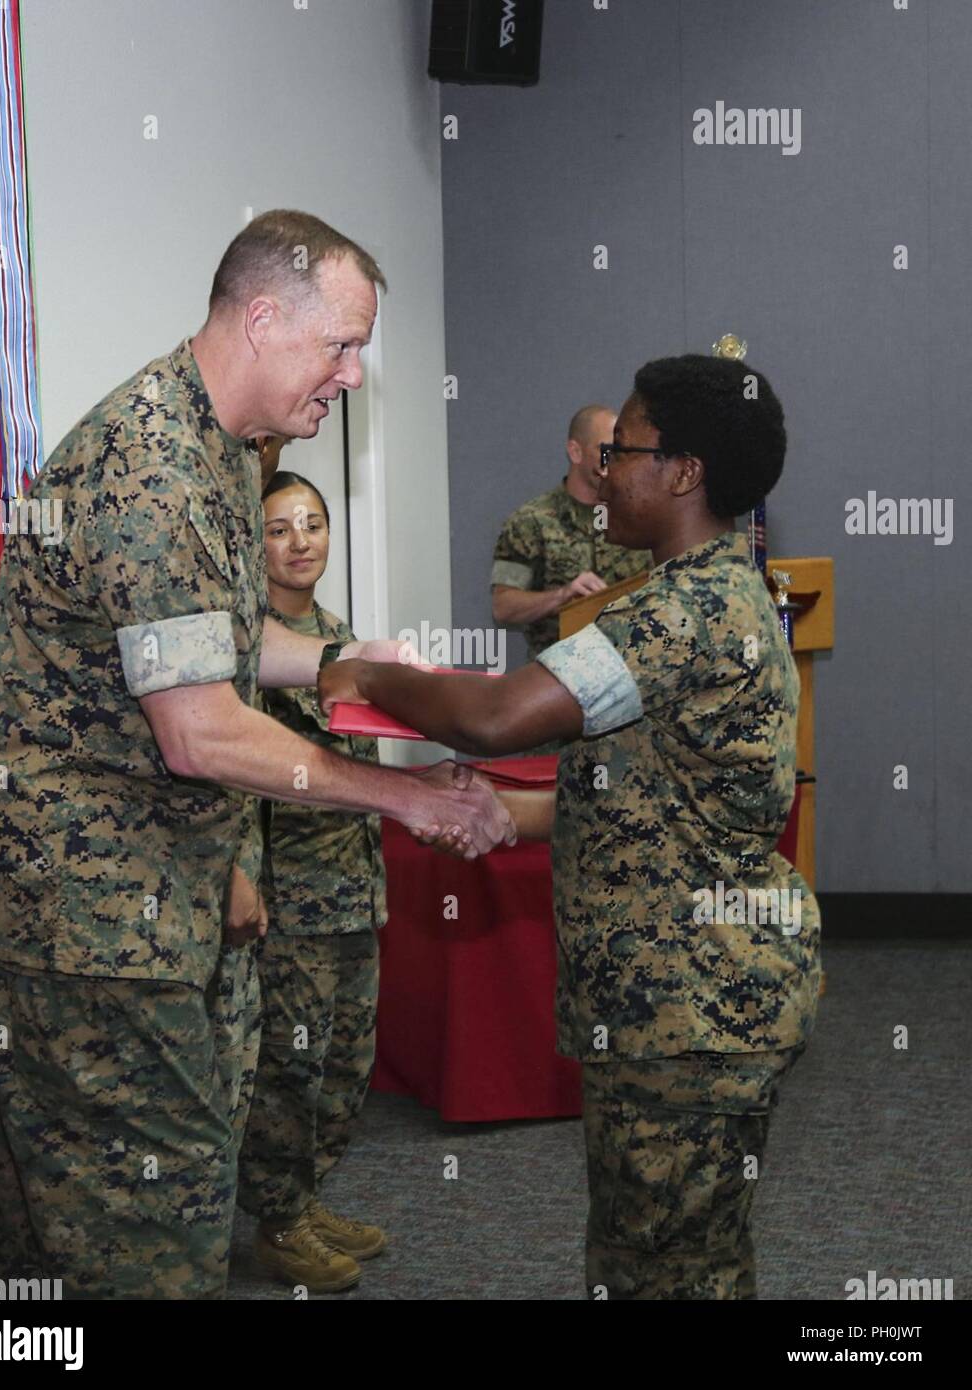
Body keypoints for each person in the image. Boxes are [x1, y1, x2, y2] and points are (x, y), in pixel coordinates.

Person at [0, 209, 514, 1301]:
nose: (351, 374)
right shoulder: (154, 466)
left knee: (58, 1234)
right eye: (339, 344)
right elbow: (199, 726)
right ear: (261, 318)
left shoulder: (217, 447)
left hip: (133, 898)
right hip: (78, 916)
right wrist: (401, 798)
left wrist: (344, 661)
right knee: (153, 1236)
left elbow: (213, 634)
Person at [320, 354, 821, 1300]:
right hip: (693, 999)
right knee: (678, 1256)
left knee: (664, 1268)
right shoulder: (709, 590)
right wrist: (505, 814)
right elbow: (654, 796)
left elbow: (496, 715)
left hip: (689, 1007)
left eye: (622, 449)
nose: (602, 472)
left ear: (683, 471)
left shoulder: (684, 609)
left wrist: (368, 674)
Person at [238, 469, 387, 1294]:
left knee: (344, 1063)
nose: (300, 542)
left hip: (354, 892)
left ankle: (307, 1196)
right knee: (286, 1073)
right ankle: (279, 1221)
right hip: (287, 899)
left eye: (314, 525)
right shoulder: (245, 652)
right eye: (279, 528)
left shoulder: (339, 639)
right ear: (253, 545)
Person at [491, 404, 651, 663]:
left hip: (630, 674)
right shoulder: (532, 521)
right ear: (575, 452)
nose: (611, 462)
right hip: (557, 676)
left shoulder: (637, 518)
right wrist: (564, 595)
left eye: (618, 453)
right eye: (605, 451)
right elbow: (503, 606)